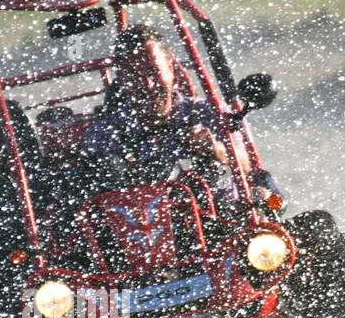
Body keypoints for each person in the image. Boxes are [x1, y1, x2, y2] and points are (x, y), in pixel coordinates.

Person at [80, 23, 260, 193]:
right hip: (142, 220)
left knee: (264, 195)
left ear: (171, 70)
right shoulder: (106, 133)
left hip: (218, 218)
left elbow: (250, 167)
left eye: (153, 71)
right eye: (134, 75)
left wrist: (216, 149)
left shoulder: (206, 112)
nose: (148, 85)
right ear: (122, 80)